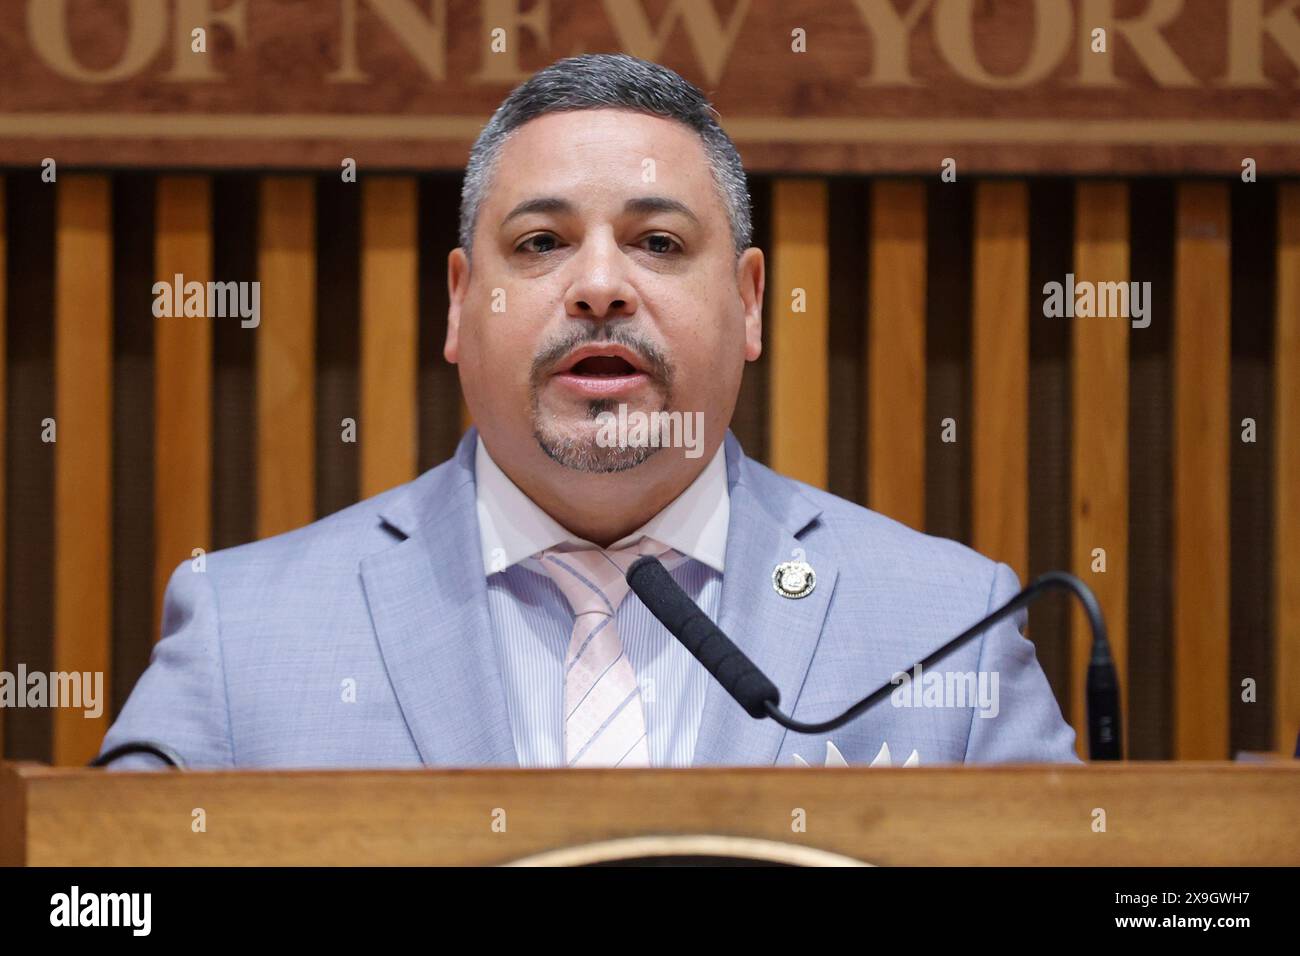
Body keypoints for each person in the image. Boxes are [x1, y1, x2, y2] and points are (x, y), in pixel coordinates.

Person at [100, 53, 1078, 770]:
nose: (600, 285)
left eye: (656, 241)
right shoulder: (244, 630)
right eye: (538, 243)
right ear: (457, 302)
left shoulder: (948, 627)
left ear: (747, 302)